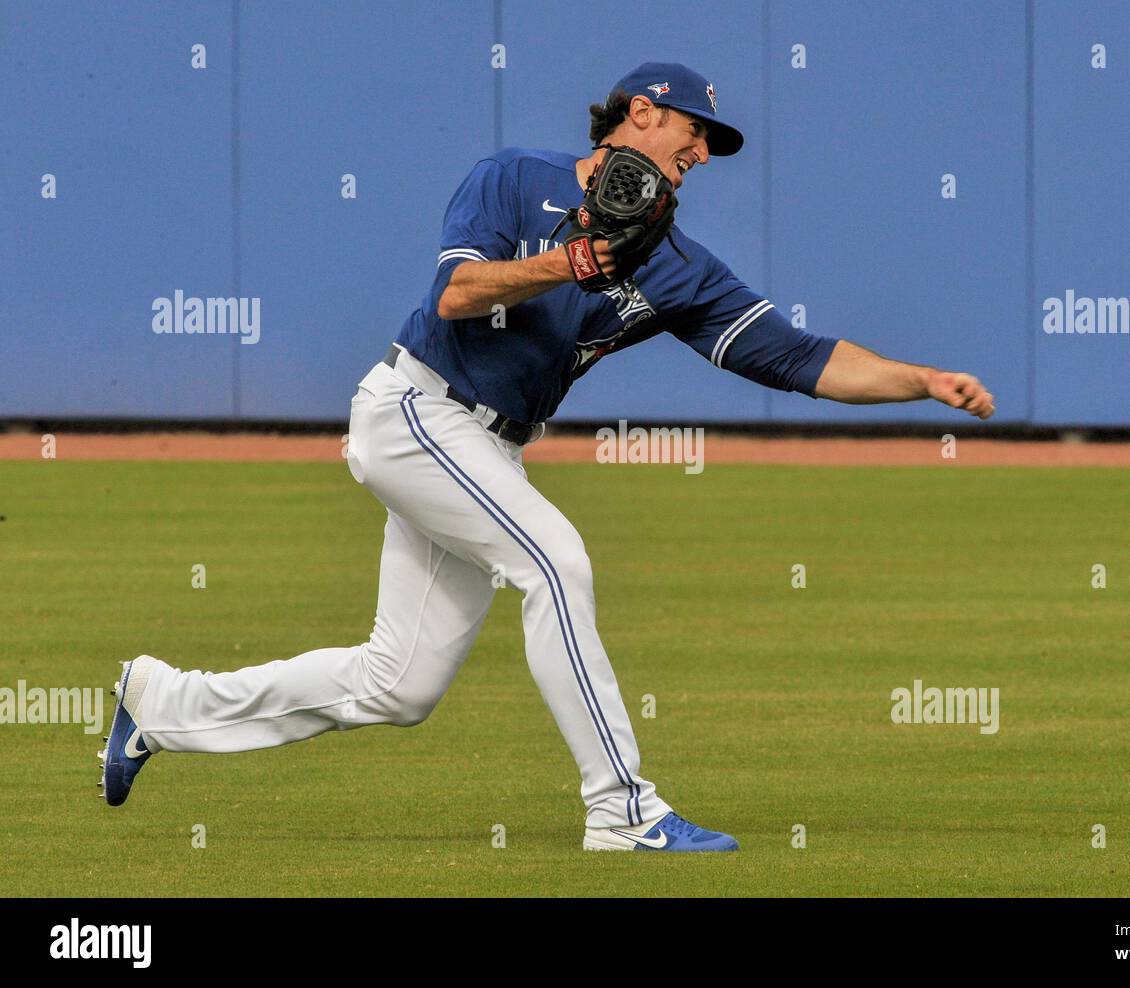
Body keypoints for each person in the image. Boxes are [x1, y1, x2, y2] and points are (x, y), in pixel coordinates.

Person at [99, 62, 994, 852]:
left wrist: (922, 378)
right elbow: (454, 293)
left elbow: (800, 357)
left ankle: (162, 703)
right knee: (557, 566)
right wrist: (571, 262)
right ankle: (624, 811)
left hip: (486, 448)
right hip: (417, 409)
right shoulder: (511, 178)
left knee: (398, 685)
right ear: (640, 114)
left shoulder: (678, 264)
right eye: (696, 130)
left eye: (714, 143)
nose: (705, 153)